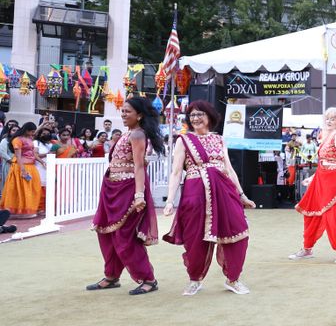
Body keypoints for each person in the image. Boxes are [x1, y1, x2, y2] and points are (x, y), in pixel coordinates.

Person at [163, 100, 256, 296]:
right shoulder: (183, 140)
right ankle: (194, 280)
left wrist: (242, 195)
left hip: (224, 191)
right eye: (192, 115)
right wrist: (170, 201)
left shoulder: (219, 139)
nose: (195, 118)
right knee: (195, 237)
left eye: (200, 114)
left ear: (209, 116)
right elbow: (176, 172)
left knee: (238, 232)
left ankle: (233, 279)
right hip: (195, 193)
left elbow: (229, 169)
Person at [86, 97, 163, 295]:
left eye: (128, 111)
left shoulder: (137, 134)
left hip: (128, 190)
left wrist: (139, 195)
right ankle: (111, 275)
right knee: (105, 233)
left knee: (124, 236)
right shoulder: (127, 133)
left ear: (140, 115)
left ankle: (148, 279)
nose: (123, 114)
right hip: (111, 188)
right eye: (122, 111)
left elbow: (139, 166)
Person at [290, 107, 336, 263]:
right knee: (311, 212)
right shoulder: (326, 137)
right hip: (321, 179)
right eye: (328, 118)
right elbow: (323, 163)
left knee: (333, 216)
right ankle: (307, 249)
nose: (329, 121)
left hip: (335, 180)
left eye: (333, 119)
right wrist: (312, 178)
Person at [0, 123, 42, 217]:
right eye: (32, 131)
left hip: (31, 166)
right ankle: (18, 211)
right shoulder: (17, 140)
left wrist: (43, 124)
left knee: (32, 188)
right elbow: (18, 156)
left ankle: (27, 210)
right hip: (20, 166)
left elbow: (36, 131)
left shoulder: (29, 137)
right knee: (20, 189)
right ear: (26, 130)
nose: (33, 133)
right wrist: (23, 170)